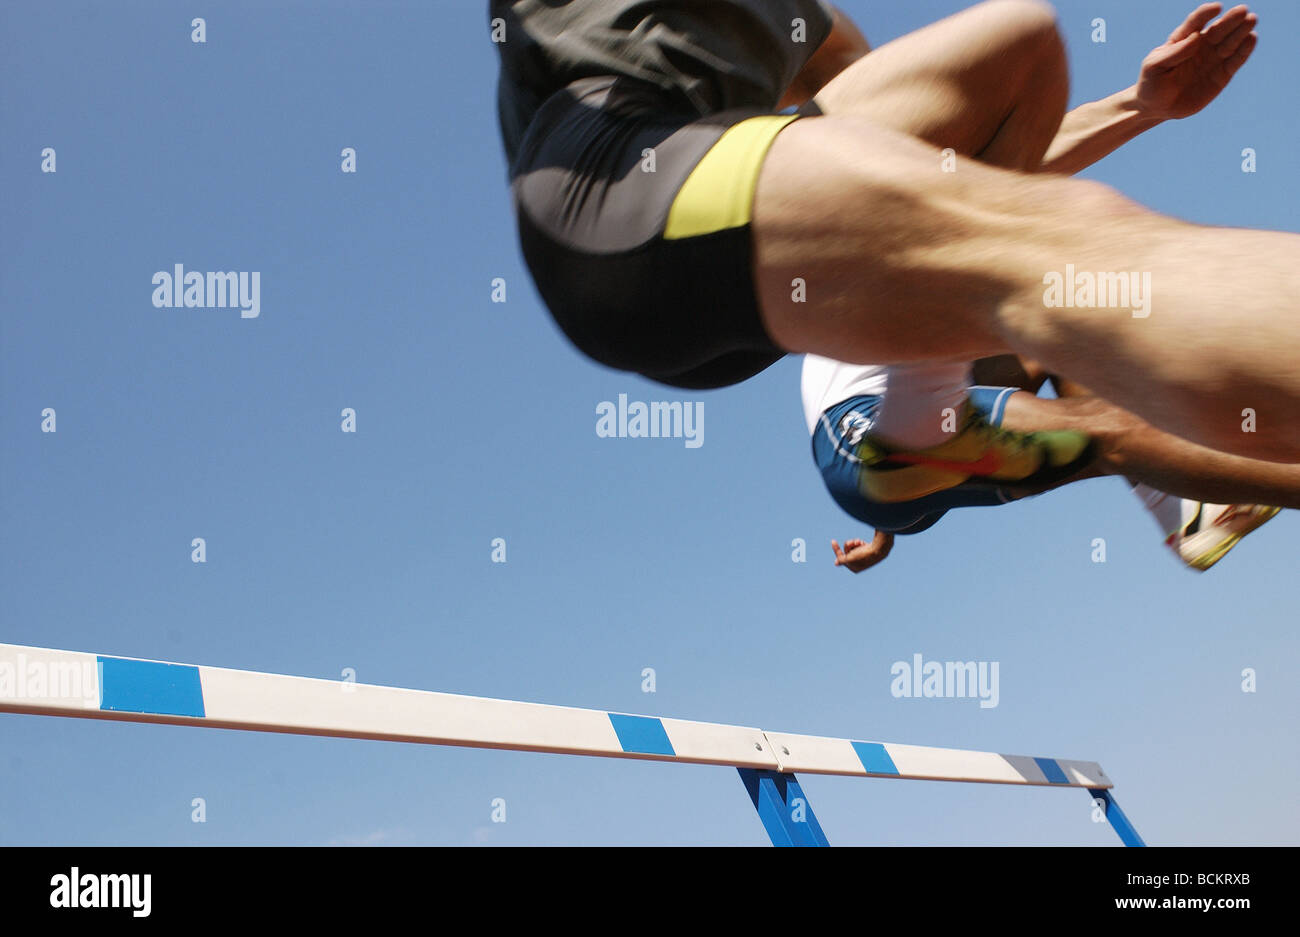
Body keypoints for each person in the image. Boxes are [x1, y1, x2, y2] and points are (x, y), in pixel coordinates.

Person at [492, 1, 1300, 462]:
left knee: (1021, 47)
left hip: (736, 261)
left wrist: (1138, 107)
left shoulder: (803, 21)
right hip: (606, 193)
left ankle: (928, 385)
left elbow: (926, 185)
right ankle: (946, 374)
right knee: (1071, 245)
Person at [805, 353, 1287, 572]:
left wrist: (883, 537)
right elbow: (882, 444)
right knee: (1111, 432)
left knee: (1060, 342)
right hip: (861, 440)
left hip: (905, 463)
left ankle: (1178, 510)